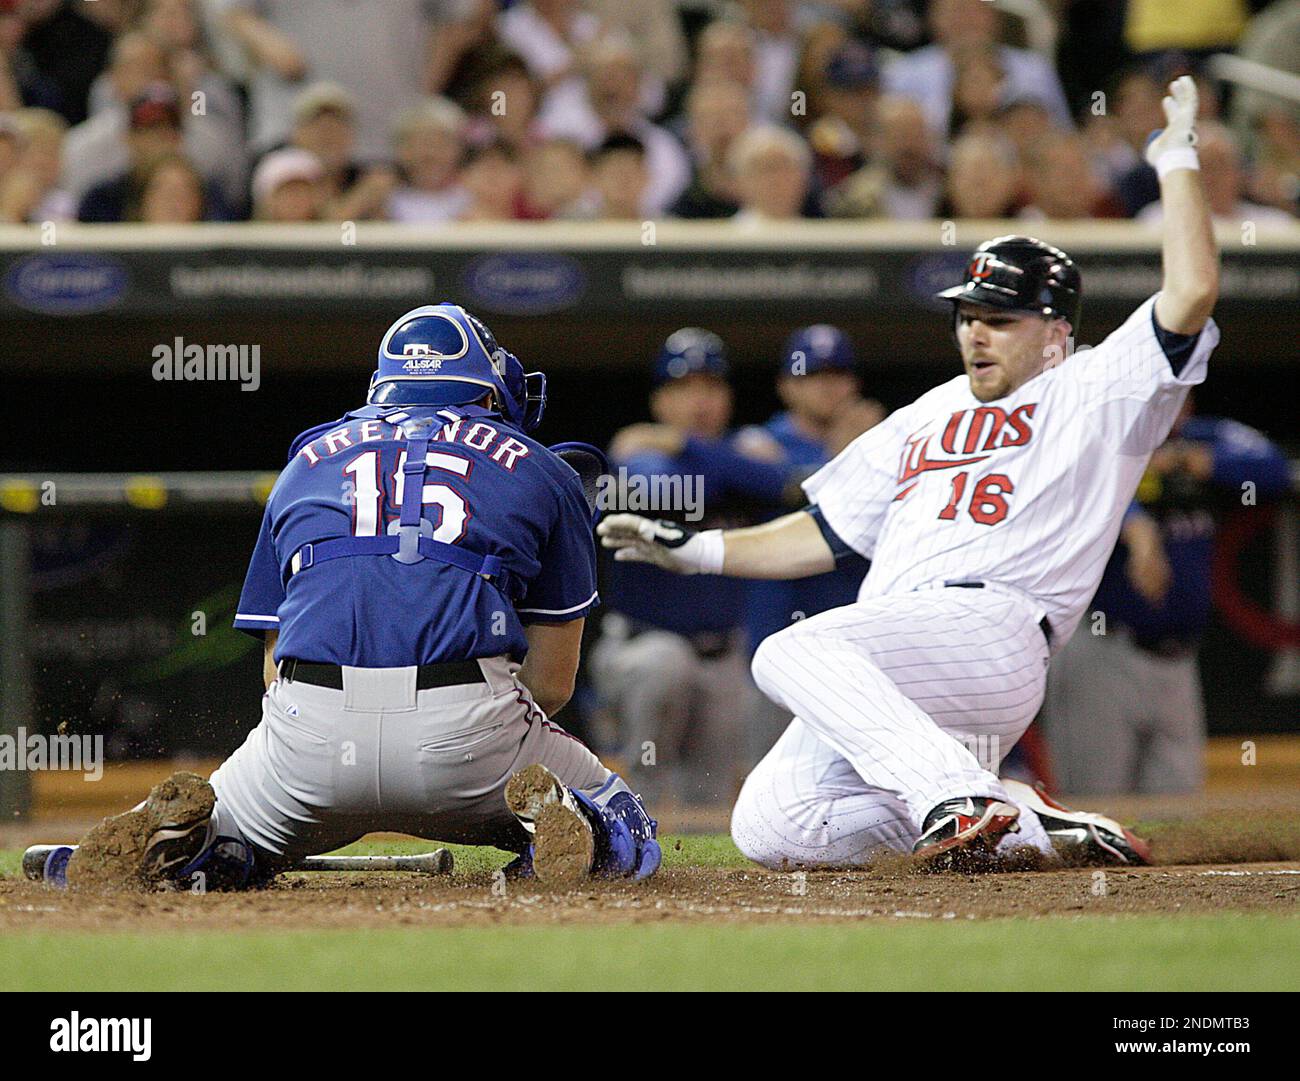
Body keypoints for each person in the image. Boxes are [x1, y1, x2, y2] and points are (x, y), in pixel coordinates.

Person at [599, 77, 1218, 871]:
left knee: (788, 651)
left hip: (994, 631)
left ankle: (962, 796)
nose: (976, 334)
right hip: (895, 652)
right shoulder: (927, 410)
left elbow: (1192, 289)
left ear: (1056, 333)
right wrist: (695, 550)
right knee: (772, 824)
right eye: (968, 316)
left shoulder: (1094, 387)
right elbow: (821, 532)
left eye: (999, 319)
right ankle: (1029, 823)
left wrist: (1176, 161)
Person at [65, 304, 661, 891]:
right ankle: (576, 825)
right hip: (467, 733)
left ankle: (193, 845)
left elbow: (272, 672)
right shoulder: (544, 469)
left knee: (233, 823)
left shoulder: (305, 462)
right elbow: (551, 684)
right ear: (487, 392)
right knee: (625, 821)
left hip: (309, 735)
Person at [591, 329, 805, 806]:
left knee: (712, 799)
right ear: (659, 400)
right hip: (641, 648)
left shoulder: (724, 448)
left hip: (723, 655)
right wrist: (734, 465)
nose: (700, 400)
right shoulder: (641, 456)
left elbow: (786, 484)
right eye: (684, 388)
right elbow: (677, 490)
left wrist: (685, 444)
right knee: (665, 665)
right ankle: (629, 819)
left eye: (711, 387)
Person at [1041, 399, 1290, 794]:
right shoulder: (1097, 441)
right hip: (1103, 650)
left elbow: (1275, 468)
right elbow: (1075, 484)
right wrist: (1136, 522)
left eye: (1180, 390)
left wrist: (1199, 462)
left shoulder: (1204, 436)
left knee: (1179, 805)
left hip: (1178, 661)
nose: (1172, 401)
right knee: (1095, 805)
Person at [735, 326, 882, 762]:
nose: (827, 387)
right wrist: (842, 455)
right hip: (775, 638)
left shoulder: (880, 441)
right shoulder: (759, 443)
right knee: (765, 773)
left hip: (853, 644)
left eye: (837, 374)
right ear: (786, 386)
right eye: (812, 375)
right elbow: (803, 497)